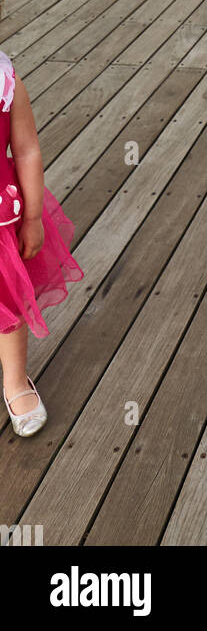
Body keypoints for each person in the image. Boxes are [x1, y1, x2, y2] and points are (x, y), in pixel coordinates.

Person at [0, 48, 83, 437]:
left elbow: (27, 148)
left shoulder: (4, 79)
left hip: (2, 218)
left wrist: (33, 217)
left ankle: (15, 381)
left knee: (8, 303)